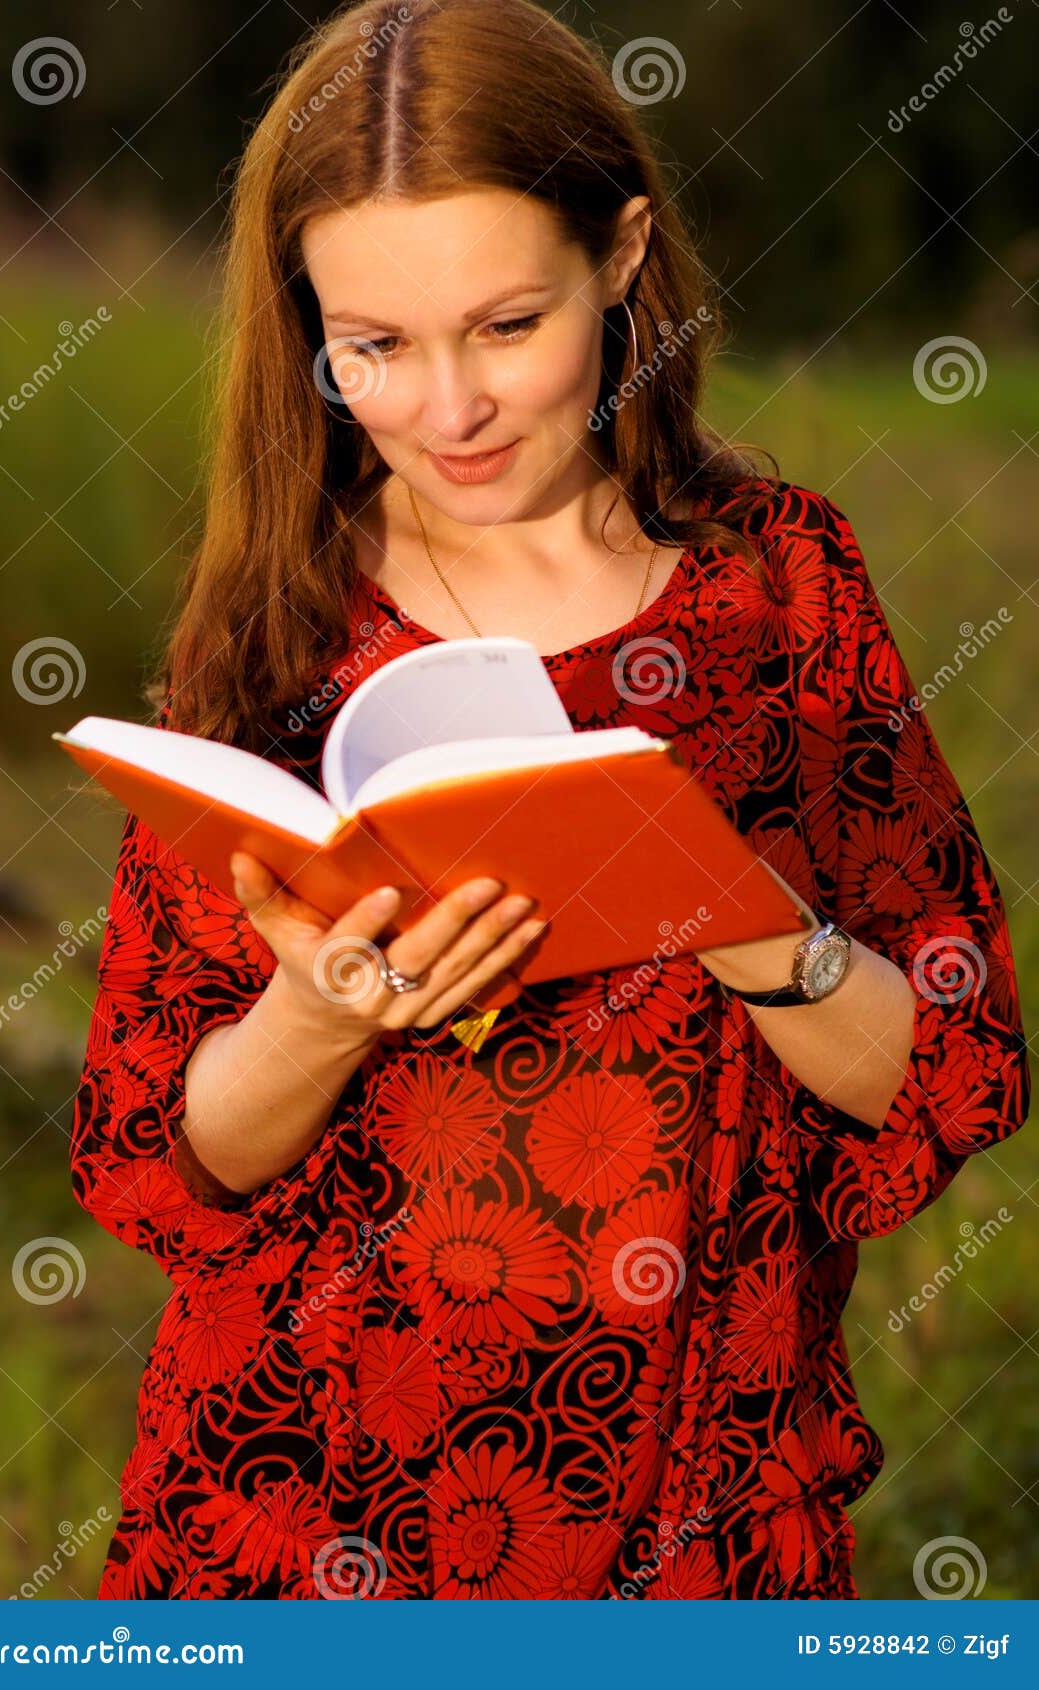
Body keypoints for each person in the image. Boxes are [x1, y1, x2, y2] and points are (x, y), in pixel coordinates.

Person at [70, 0, 1029, 1600]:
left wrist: (747, 927)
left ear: (624, 255)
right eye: (371, 345)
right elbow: (168, 1160)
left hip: (694, 1519)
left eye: (508, 326)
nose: (448, 410)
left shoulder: (781, 586)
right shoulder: (270, 624)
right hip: (305, 1520)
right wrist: (317, 1020)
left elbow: (947, 1067)